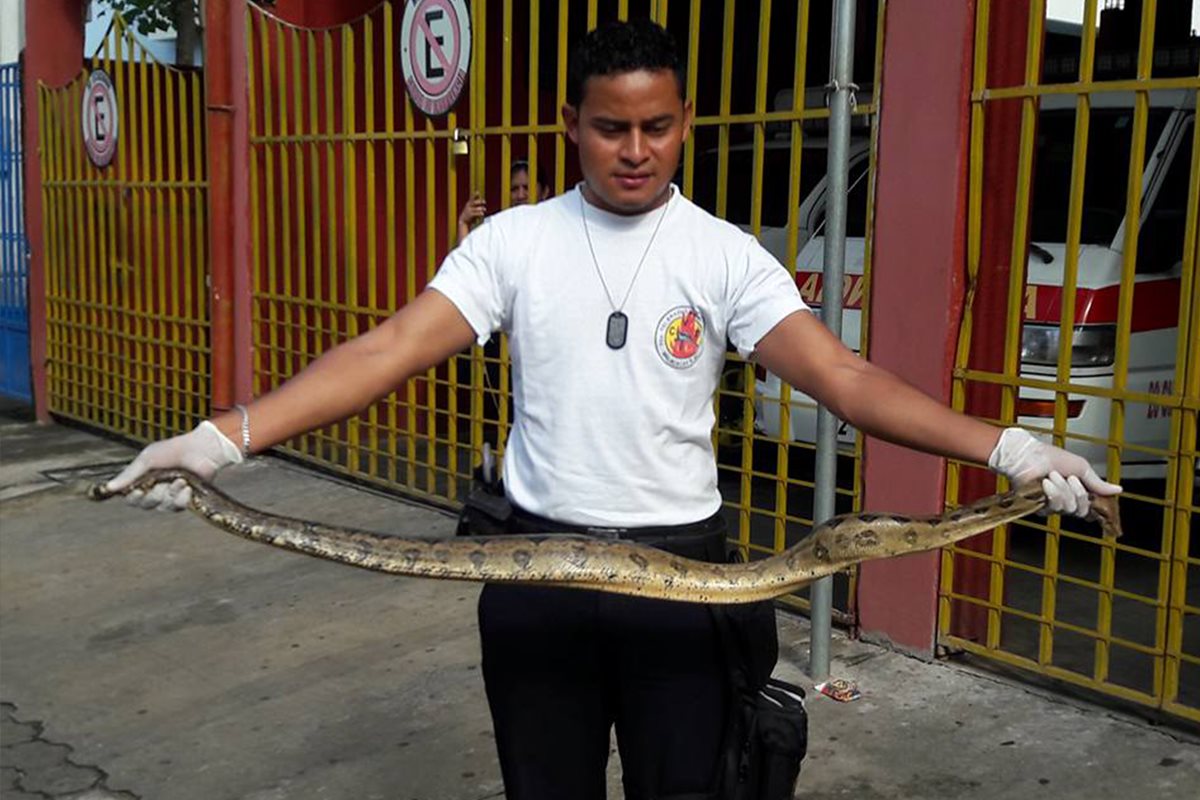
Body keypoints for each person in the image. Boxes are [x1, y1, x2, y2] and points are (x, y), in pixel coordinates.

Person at [105, 19, 1120, 800]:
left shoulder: (722, 254)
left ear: (685, 120)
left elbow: (845, 379)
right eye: (610, 127)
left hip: (686, 580)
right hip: (534, 571)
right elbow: (388, 349)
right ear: (571, 124)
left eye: (657, 127)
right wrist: (221, 438)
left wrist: (1013, 447)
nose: (635, 150)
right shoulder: (513, 243)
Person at [457, 159, 552, 243]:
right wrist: (463, 223)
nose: (520, 195)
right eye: (514, 189)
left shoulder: (553, 226)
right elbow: (469, 257)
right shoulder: (495, 227)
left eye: (527, 188)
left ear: (545, 192)